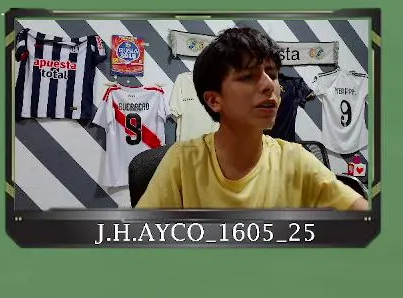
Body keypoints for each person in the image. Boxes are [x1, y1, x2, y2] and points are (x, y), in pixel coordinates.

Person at [137, 27, 369, 211]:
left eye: (273, 74)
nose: (269, 85)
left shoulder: (295, 159)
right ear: (214, 100)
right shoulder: (182, 161)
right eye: (248, 76)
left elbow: (367, 220)